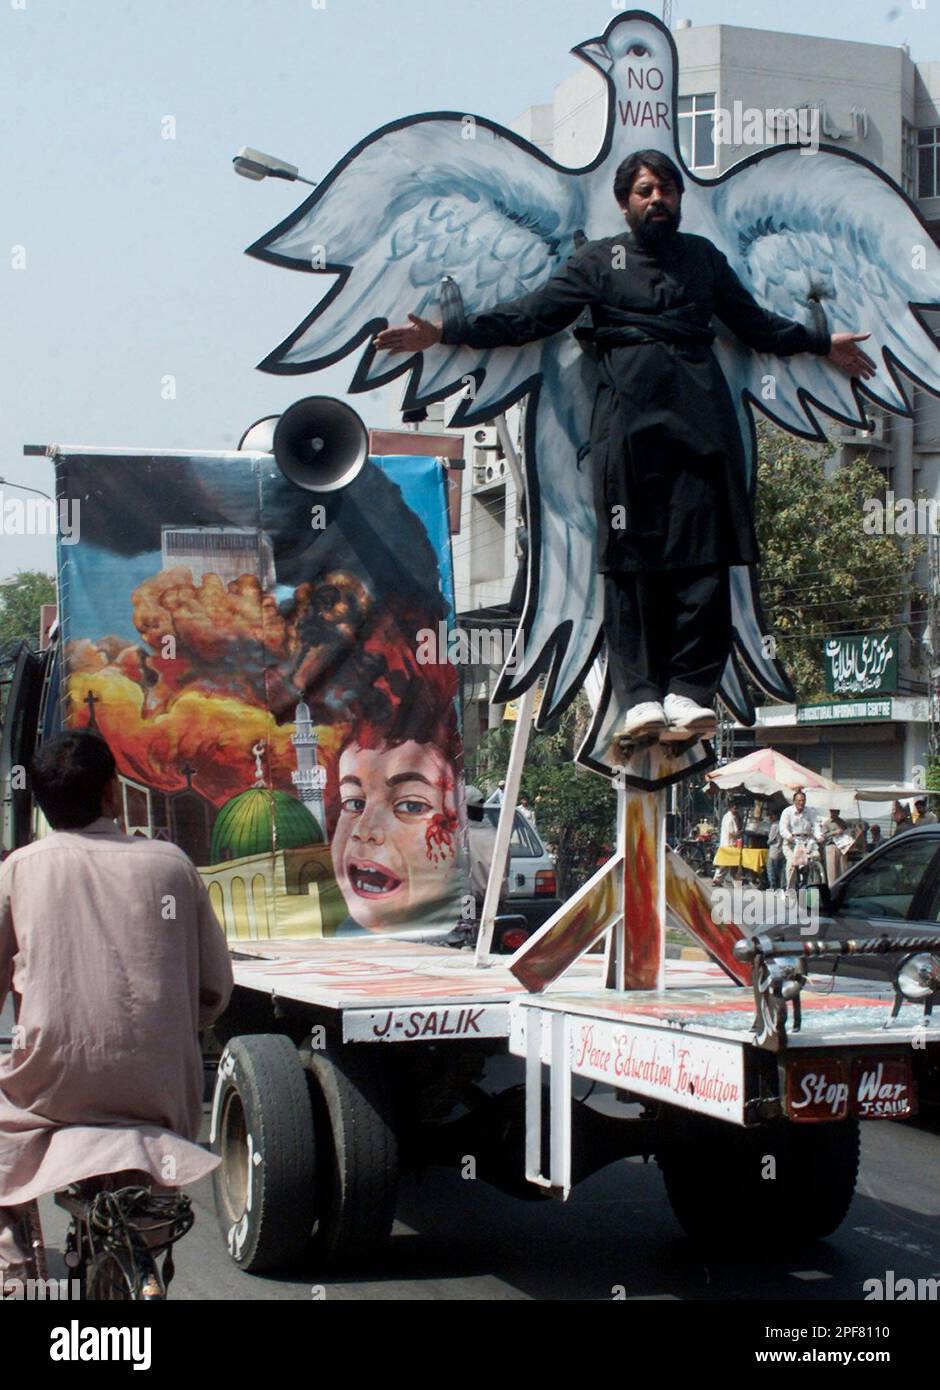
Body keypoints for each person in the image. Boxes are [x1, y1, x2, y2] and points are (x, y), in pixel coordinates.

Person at [375, 149, 874, 746]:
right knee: (629, 566)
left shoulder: (703, 261)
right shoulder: (598, 263)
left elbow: (757, 326)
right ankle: (639, 697)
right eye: (644, 190)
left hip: (702, 432)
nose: (656, 199)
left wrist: (822, 343)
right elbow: (529, 318)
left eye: (666, 189)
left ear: (680, 201)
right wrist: (444, 332)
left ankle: (690, 692)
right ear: (624, 203)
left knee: (705, 562)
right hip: (627, 436)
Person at [0, 730, 233, 1278]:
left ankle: (15, 1279)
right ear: (112, 793)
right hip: (158, 1091)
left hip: (51, 1087)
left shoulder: (20, 870)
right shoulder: (172, 865)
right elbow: (215, 990)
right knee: (148, 1215)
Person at [779, 789, 823, 891]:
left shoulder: (810, 811)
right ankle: (790, 890)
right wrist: (789, 837)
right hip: (792, 842)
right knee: (791, 864)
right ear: (794, 801)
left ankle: (813, 883)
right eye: (799, 801)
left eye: (803, 800)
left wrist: (819, 836)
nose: (801, 803)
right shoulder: (787, 812)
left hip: (807, 841)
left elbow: (816, 825)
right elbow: (783, 828)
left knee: (816, 857)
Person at [712, 802, 743, 887]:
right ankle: (717, 879)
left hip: (730, 843)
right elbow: (732, 832)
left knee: (729, 864)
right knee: (724, 864)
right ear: (731, 808)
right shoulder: (729, 818)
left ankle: (719, 880)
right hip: (728, 844)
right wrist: (740, 832)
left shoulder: (733, 817)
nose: (736, 810)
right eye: (735, 808)